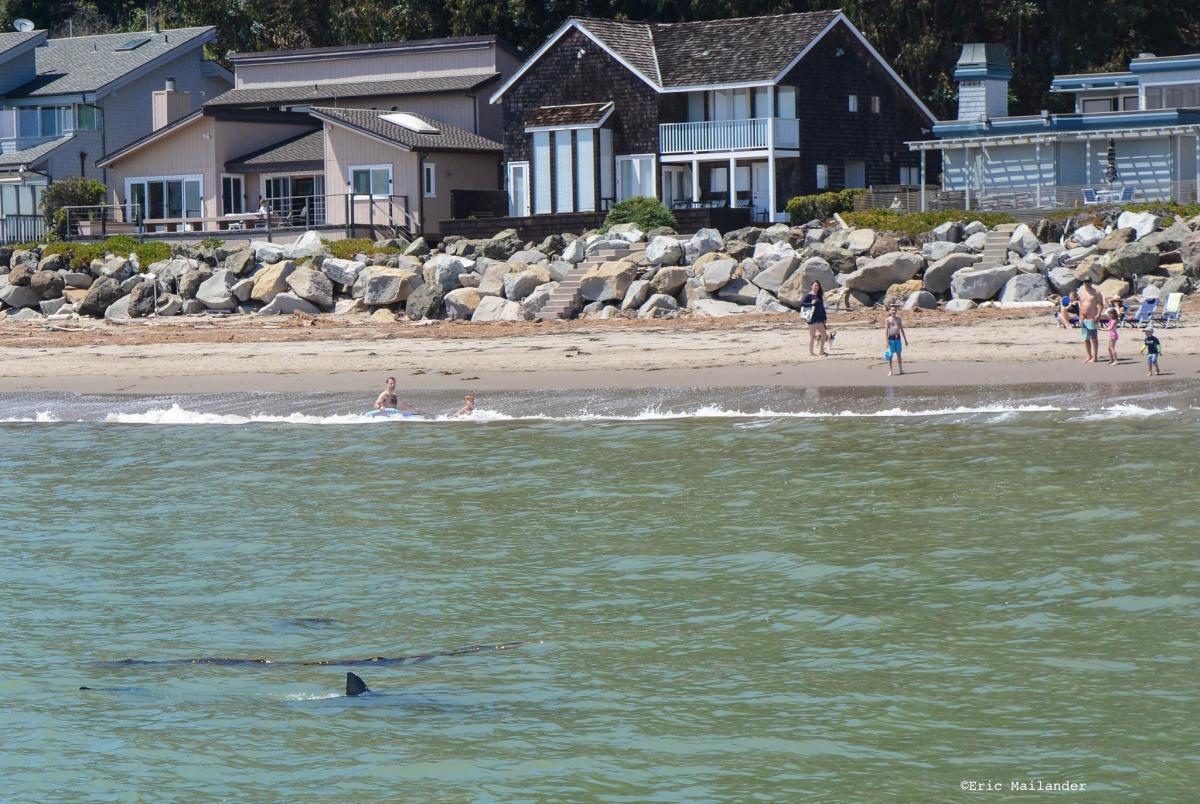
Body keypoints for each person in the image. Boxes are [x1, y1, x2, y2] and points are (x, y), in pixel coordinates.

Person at [799, 281, 831, 357]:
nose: (816, 287)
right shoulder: (809, 295)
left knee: (824, 334)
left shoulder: (819, 296)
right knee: (812, 336)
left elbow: (822, 308)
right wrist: (811, 303)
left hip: (819, 319)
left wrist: (824, 317)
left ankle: (821, 351)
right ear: (812, 286)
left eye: (818, 285)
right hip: (812, 319)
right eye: (815, 285)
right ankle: (811, 352)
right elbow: (801, 304)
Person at [1078, 277, 1104, 363]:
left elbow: (1101, 304)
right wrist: (1080, 316)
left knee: (1094, 338)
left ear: (1091, 282)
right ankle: (1089, 356)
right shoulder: (1081, 293)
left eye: (1088, 281)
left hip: (1092, 317)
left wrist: (1098, 314)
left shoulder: (1096, 292)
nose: (1087, 283)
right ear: (1083, 282)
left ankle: (1095, 357)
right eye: (1085, 281)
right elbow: (1081, 305)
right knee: (1086, 338)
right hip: (1083, 318)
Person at [884, 305, 909, 376]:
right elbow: (886, 331)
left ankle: (901, 370)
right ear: (890, 311)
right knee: (890, 355)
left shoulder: (898, 319)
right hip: (891, 339)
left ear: (896, 311)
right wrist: (886, 341)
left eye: (894, 310)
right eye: (892, 310)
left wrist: (905, 340)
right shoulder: (888, 320)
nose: (893, 311)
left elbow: (902, 330)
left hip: (898, 338)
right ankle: (891, 371)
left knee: (899, 354)